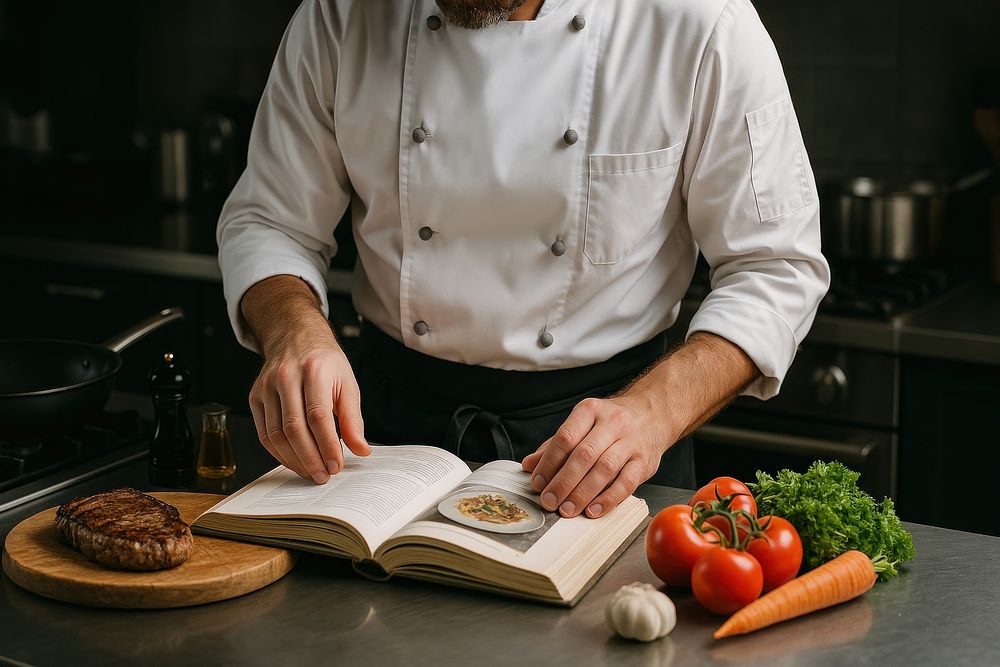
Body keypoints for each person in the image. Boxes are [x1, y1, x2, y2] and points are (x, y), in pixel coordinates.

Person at [217, 0, 830, 520]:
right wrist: (295, 332)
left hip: (608, 459)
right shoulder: (343, 14)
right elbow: (271, 219)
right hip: (379, 448)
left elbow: (775, 268)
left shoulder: (701, 22)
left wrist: (655, 410)